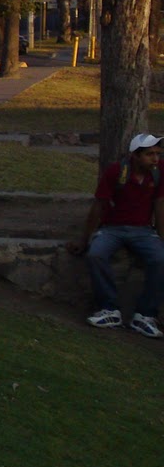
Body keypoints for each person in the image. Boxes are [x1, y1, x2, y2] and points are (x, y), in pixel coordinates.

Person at [67, 132, 164, 338]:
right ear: (135, 156)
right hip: (113, 228)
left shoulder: (158, 172)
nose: (155, 158)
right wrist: (85, 239)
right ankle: (109, 309)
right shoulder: (116, 171)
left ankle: (145, 315)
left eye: (157, 153)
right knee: (96, 254)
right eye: (150, 154)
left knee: (159, 259)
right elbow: (99, 205)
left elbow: (159, 205)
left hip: (143, 230)